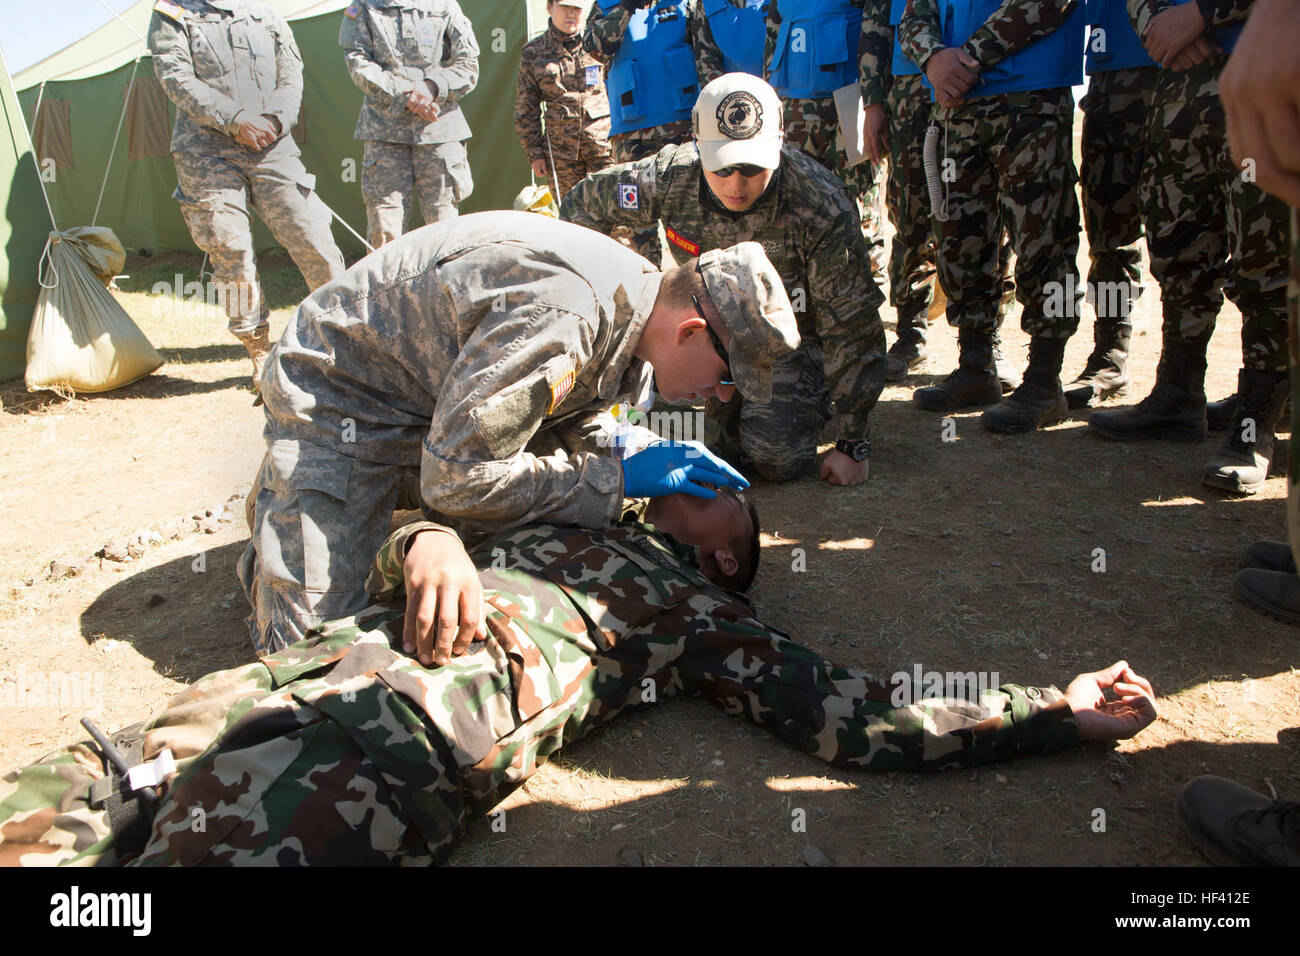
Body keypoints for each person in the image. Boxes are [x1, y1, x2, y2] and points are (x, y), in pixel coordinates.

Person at [0, 491, 1158, 866]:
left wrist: (1055, 706)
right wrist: (426, 539)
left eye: (720, 488)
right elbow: (405, 519)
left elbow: (863, 719)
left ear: (725, 551)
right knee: (37, 810)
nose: (691, 470)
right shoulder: (563, 509)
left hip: (362, 760)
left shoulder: (696, 615)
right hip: (252, 688)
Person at [239, 211, 799, 658]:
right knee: (313, 654)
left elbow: (563, 412)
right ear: (692, 331)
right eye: (727, 377)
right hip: (344, 401)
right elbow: (457, 481)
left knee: (501, 530)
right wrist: (617, 479)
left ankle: (312, 513)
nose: (722, 397)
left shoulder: (638, 305)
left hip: (435, 409)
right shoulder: (566, 317)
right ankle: (293, 506)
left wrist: (632, 449)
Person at [561, 73, 886, 486]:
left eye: (752, 167)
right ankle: (715, 419)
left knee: (774, 457)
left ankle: (779, 410)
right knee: (637, 424)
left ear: (780, 143)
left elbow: (852, 324)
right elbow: (584, 205)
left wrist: (853, 441)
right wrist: (608, 294)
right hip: (695, 336)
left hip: (782, 349)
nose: (736, 184)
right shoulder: (671, 177)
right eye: (722, 166)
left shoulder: (818, 202)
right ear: (698, 145)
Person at [1089, 0, 1289, 497]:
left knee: (1267, 259)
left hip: (1268, 63)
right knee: (1178, 246)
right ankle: (1178, 395)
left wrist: (1201, 13)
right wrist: (1158, 25)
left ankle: (1254, 427)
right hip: (1182, 85)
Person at [900, 0, 1087, 433]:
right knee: (959, 237)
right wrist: (931, 58)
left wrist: (965, 59)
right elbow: (914, 14)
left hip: (1030, 98)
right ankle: (976, 367)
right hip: (957, 107)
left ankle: (1043, 381)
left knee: (1044, 241)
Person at [147, 0, 346, 389]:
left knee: (313, 236)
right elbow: (174, 77)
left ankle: (343, 335)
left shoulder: (265, 11)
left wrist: (274, 119)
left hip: (272, 143)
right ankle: (257, 350)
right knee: (230, 251)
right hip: (206, 151)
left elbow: (292, 74)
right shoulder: (173, 11)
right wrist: (235, 119)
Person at [876, 0, 1016, 386]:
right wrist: (873, 102)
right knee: (909, 215)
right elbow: (876, 28)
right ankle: (910, 333)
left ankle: (987, 340)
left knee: (981, 217)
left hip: (981, 79)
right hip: (909, 88)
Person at [1061, 0, 1157, 408]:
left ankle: (1258, 385)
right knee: (1109, 233)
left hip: (1196, 60)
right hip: (1108, 70)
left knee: (1202, 233)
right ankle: (1110, 356)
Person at [339, 0, 479, 248]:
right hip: (385, 133)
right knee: (385, 232)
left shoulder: (444, 4)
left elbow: (468, 64)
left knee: (445, 230)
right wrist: (406, 93)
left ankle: (443, 287)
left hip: (439, 131)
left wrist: (432, 87)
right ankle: (390, 288)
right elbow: (357, 62)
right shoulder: (364, 6)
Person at [764, 0, 887, 278]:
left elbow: (874, 31)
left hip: (848, 104)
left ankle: (867, 305)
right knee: (793, 217)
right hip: (792, 110)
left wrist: (874, 101)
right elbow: (773, 41)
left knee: (858, 212)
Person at [515, 1, 614, 201]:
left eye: (576, 9)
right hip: (561, 154)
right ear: (549, 7)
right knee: (572, 218)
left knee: (615, 215)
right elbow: (526, 109)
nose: (571, 14)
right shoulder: (533, 52)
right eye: (564, 7)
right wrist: (534, 153)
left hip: (603, 147)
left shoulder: (597, 43)